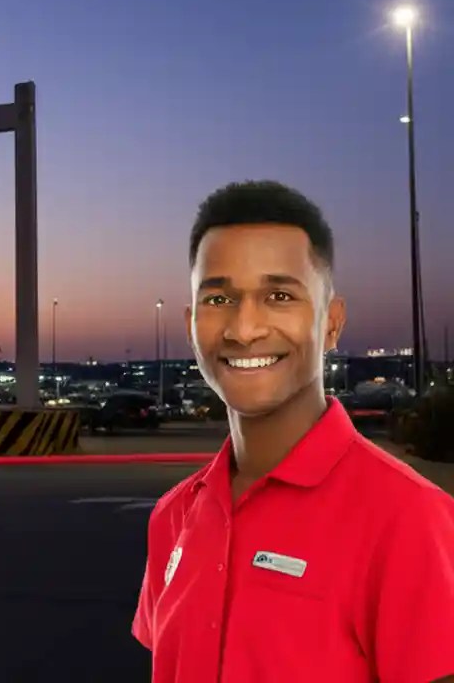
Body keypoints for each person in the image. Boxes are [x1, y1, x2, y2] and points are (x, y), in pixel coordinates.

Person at [132, 180, 454, 681]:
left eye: (279, 295)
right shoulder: (172, 517)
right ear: (191, 322)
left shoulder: (409, 519)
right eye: (219, 300)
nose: (244, 329)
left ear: (332, 322)